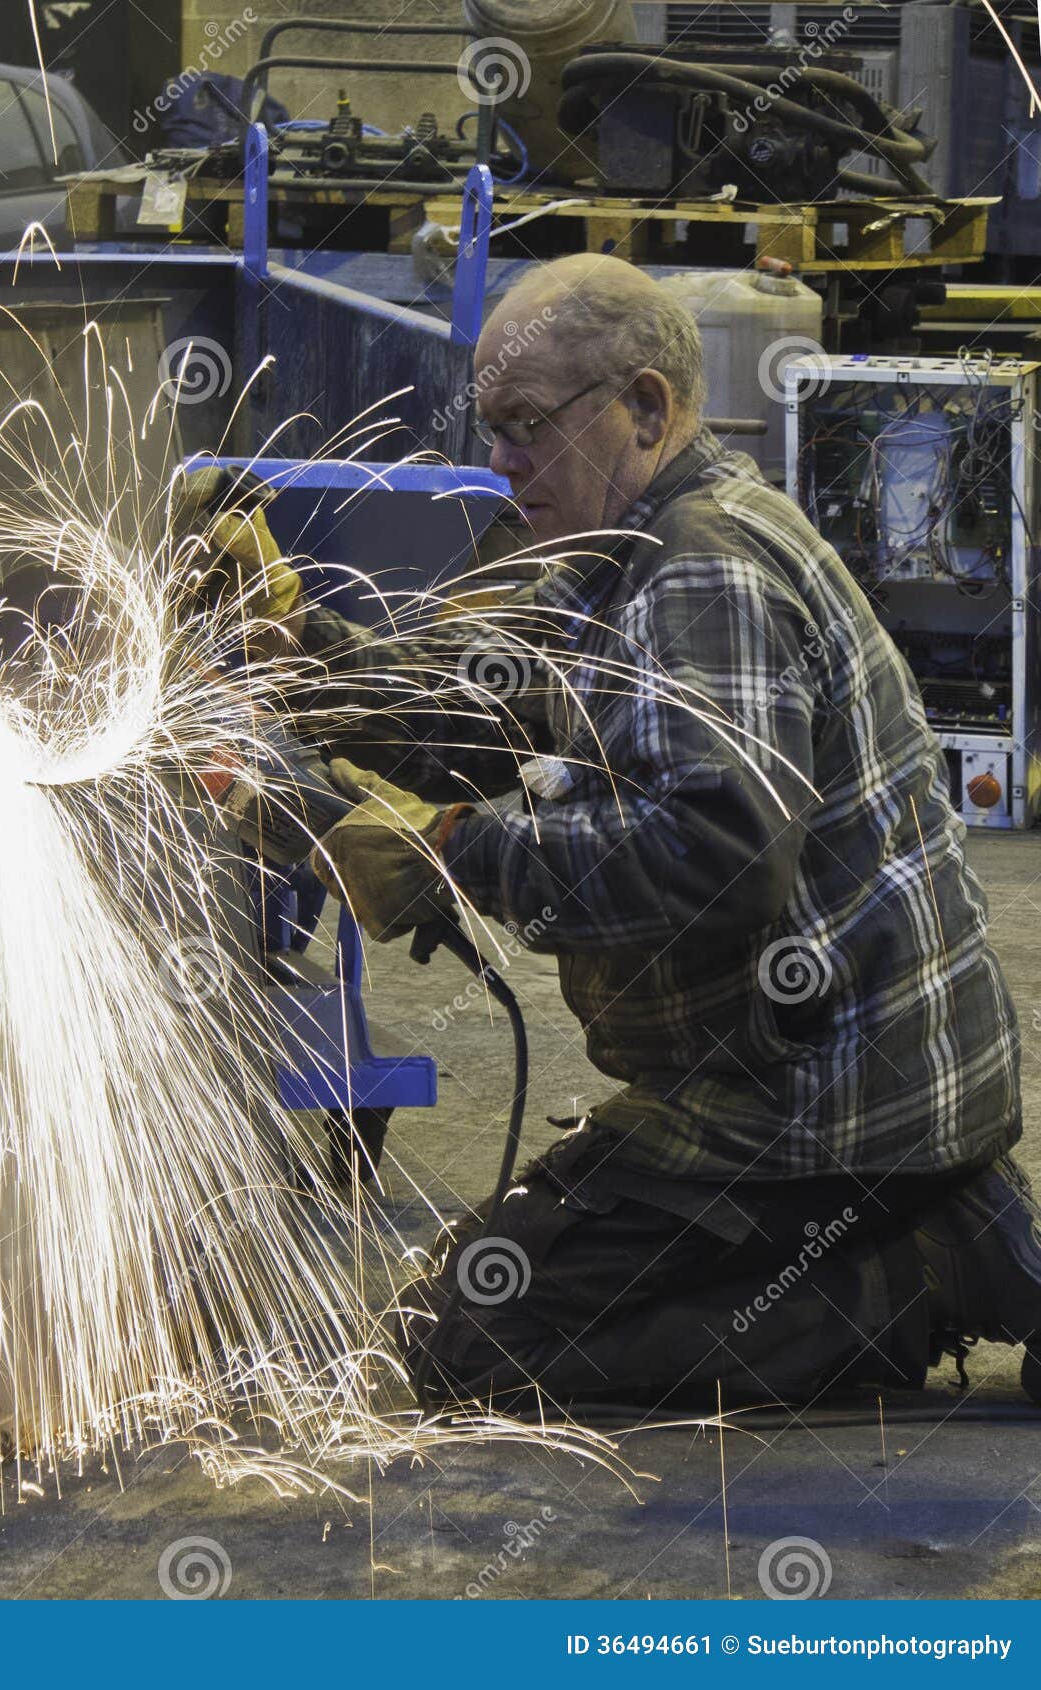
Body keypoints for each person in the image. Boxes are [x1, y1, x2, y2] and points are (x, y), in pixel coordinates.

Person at [211, 252, 1041, 1412]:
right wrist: (308, 657)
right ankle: (928, 1215)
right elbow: (487, 710)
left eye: (523, 425)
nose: (499, 465)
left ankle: (910, 1272)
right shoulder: (627, 555)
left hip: (815, 1102)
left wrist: (453, 848)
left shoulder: (702, 573)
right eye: (489, 427)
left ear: (646, 408)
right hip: (831, 1074)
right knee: (476, 1309)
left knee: (474, 1345)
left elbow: (718, 851)